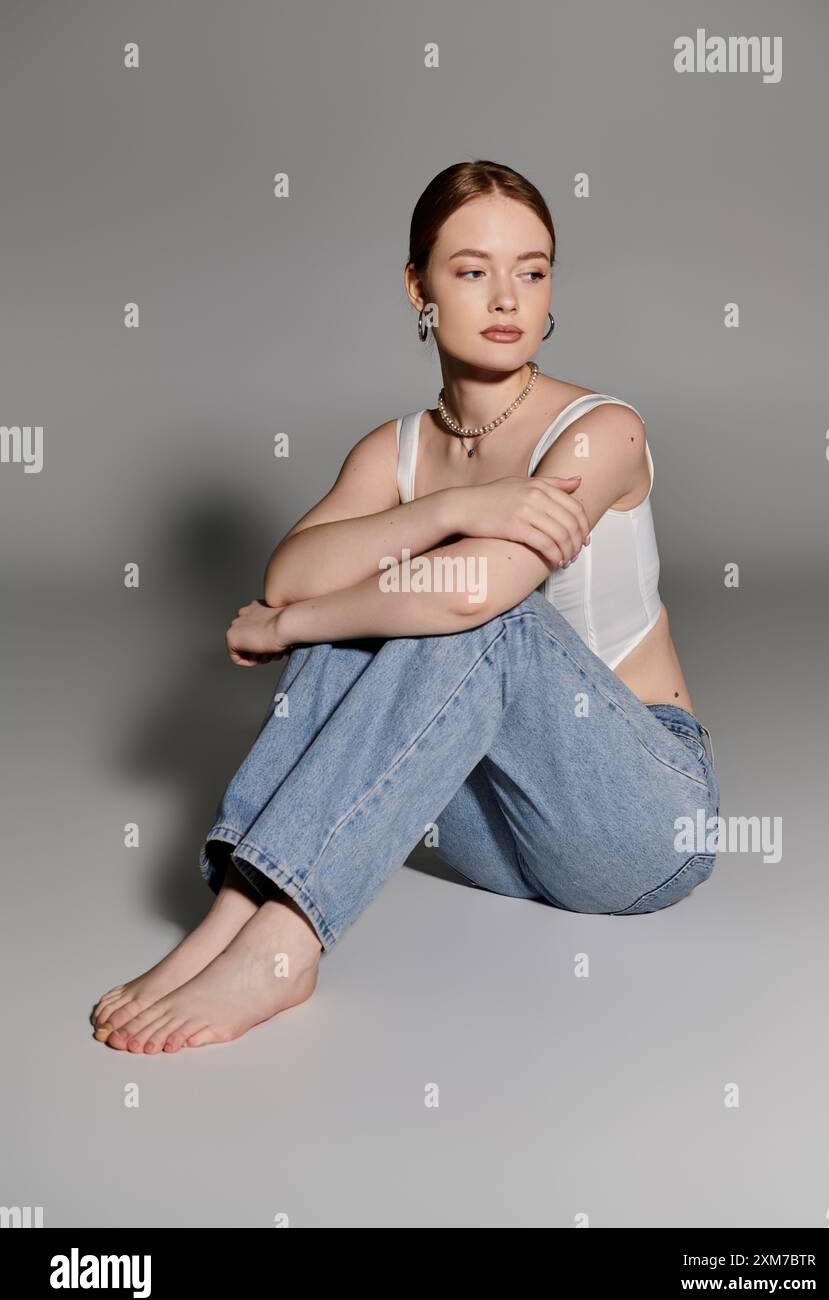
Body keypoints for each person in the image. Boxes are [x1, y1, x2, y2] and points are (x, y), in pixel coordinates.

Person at [91, 159, 720, 1054]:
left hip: (641, 822)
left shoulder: (600, 432)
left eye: (532, 270)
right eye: (471, 271)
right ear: (417, 286)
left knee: (463, 615)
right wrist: (453, 508)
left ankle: (286, 943)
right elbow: (291, 573)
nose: (507, 296)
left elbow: (473, 594)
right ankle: (233, 913)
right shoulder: (395, 451)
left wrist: (294, 625)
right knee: (363, 617)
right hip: (500, 840)